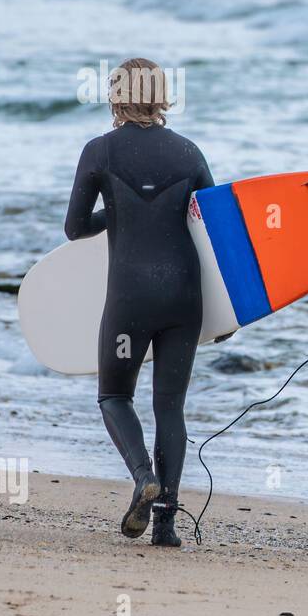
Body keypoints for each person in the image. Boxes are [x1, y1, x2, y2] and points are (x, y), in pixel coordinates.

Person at [64, 58, 214, 547]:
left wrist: (120, 210)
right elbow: (213, 231)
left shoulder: (99, 152)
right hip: (184, 296)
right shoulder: (189, 152)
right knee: (170, 407)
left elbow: (74, 228)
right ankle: (166, 526)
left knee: (114, 395)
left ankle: (142, 476)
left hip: (131, 298)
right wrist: (227, 315)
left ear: (116, 96)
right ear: (162, 97)